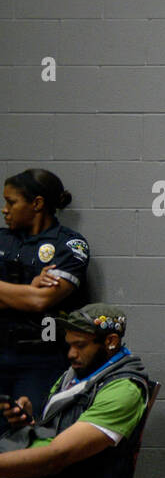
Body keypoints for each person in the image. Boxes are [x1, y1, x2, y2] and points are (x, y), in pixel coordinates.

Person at [0, 304, 149, 478]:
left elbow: (57, 456)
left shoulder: (123, 390)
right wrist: (30, 422)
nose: (70, 354)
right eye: (69, 345)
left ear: (111, 341)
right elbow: (58, 437)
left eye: (80, 346)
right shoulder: (78, 376)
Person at [0, 169, 89, 414]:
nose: (4, 209)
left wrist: (22, 295)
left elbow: (41, 301)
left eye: (11, 202)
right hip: (1, 349)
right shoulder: (2, 240)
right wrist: (28, 290)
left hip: (42, 359)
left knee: (31, 435)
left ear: (37, 203)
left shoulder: (69, 245)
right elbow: (32, 295)